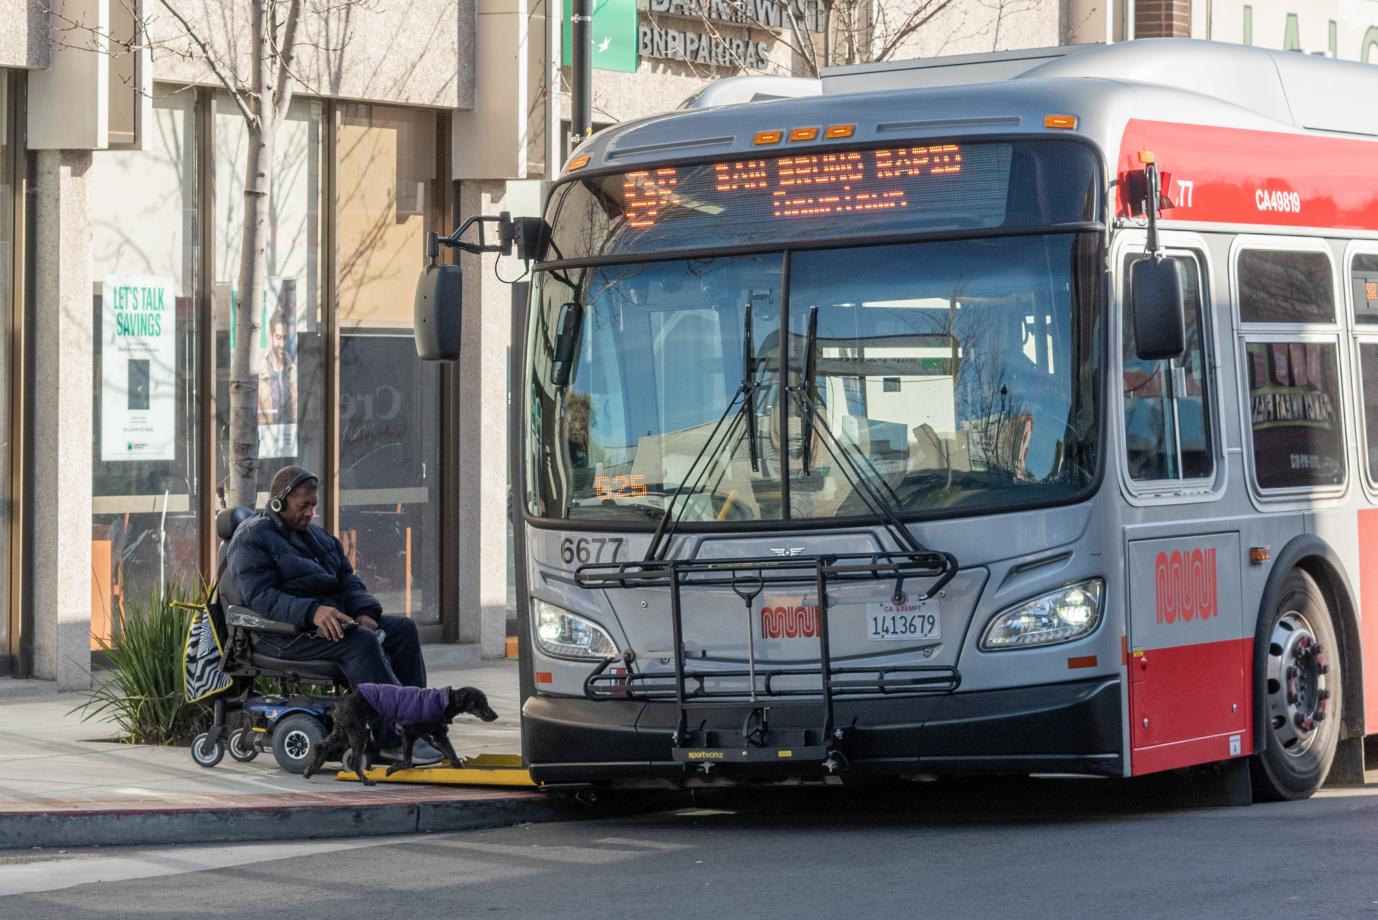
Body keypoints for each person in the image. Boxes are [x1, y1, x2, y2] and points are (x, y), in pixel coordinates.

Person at [223, 465, 440, 763]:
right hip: (281, 634)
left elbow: (347, 580)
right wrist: (312, 611)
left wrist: (363, 611)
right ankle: (394, 737)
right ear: (278, 502)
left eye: (313, 505)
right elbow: (260, 597)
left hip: (323, 626)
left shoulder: (318, 537)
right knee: (361, 643)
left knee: (402, 630)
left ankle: (417, 726)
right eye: (303, 505)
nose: (310, 513)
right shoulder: (252, 538)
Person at [257, 307, 297, 426]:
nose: (282, 344)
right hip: (266, 435)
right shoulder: (259, 372)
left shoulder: (293, 371)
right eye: (278, 338)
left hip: (289, 434)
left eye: (285, 338)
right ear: (270, 335)